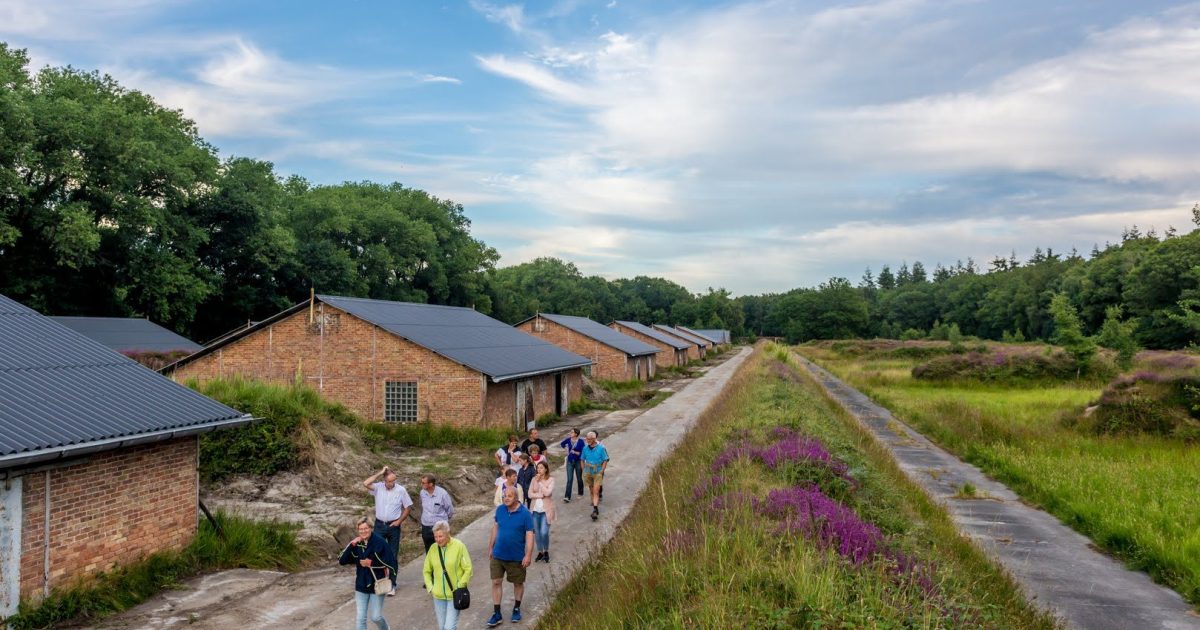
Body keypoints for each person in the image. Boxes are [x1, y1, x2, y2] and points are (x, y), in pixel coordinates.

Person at [486, 487, 534, 627]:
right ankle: (497, 613)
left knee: (518, 583)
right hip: (498, 554)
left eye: (509, 496)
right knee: (496, 582)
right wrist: (490, 547)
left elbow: (530, 535)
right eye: (504, 496)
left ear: (516, 497)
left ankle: (517, 608)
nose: (506, 498)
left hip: (516, 557)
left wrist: (528, 555)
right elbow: (495, 528)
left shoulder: (525, 514)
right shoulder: (500, 510)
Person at [362, 466, 412, 594]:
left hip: (393, 527)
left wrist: (399, 521)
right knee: (376, 553)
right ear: (384, 480)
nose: (392, 483)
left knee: (393, 555)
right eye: (389, 481)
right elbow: (365, 483)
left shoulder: (401, 490)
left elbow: (408, 507)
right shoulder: (378, 487)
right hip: (379, 525)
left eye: (394, 480)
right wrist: (380, 472)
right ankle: (379, 582)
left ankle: (392, 585)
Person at [339, 517, 395, 630]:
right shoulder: (357, 544)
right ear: (358, 530)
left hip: (377, 584)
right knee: (361, 618)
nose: (363, 531)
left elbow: (392, 563)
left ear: (371, 528)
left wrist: (372, 563)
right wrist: (351, 545)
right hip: (361, 585)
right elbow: (342, 561)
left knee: (376, 617)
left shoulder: (380, 542)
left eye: (366, 528)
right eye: (361, 529)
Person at [422, 520, 472, 630]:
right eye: (436, 537)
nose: (438, 540)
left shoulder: (459, 546)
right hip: (438, 596)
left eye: (441, 536)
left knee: (449, 627)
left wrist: (460, 585)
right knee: (442, 628)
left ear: (448, 533)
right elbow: (426, 570)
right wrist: (431, 588)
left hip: (454, 595)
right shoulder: (433, 549)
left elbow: (468, 569)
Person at [526, 461, 556, 562]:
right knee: (537, 533)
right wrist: (539, 495)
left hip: (545, 511)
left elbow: (548, 493)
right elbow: (529, 494)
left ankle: (546, 550)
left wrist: (539, 482)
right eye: (538, 468)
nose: (539, 470)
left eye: (541, 468)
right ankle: (540, 552)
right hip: (534, 510)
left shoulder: (551, 479)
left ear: (546, 469)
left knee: (544, 532)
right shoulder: (533, 479)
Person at [419, 474, 455, 553]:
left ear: (431, 484)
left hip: (440, 528)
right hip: (426, 527)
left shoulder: (442, 494)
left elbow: (450, 510)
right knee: (430, 551)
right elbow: (422, 507)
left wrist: (443, 521)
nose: (421, 484)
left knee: (443, 550)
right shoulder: (422, 493)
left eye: (423, 483)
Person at [581, 431, 609, 521]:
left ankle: (595, 510)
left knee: (596, 491)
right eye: (587, 439)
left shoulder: (601, 448)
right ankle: (594, 504)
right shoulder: (585, 448)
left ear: (594, 439)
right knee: (591, 490)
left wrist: (602, 470)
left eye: (589, 439)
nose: (587, 440)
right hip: (588, 472)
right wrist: (583, 469)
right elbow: (582, 459)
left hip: (597, 472)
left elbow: (606, 459)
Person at [558, 428, 584, 503]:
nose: (570, 433)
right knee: (569, 479)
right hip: (570, 461)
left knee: (579, 478)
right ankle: (567, 496)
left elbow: (582, 452)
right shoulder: (568, 439)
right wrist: (566, 448)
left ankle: (580, 492)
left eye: (572, 432)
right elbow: (562, 444)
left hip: (578, 461)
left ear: (576, 434)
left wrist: (575, 452)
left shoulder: (581, 442)